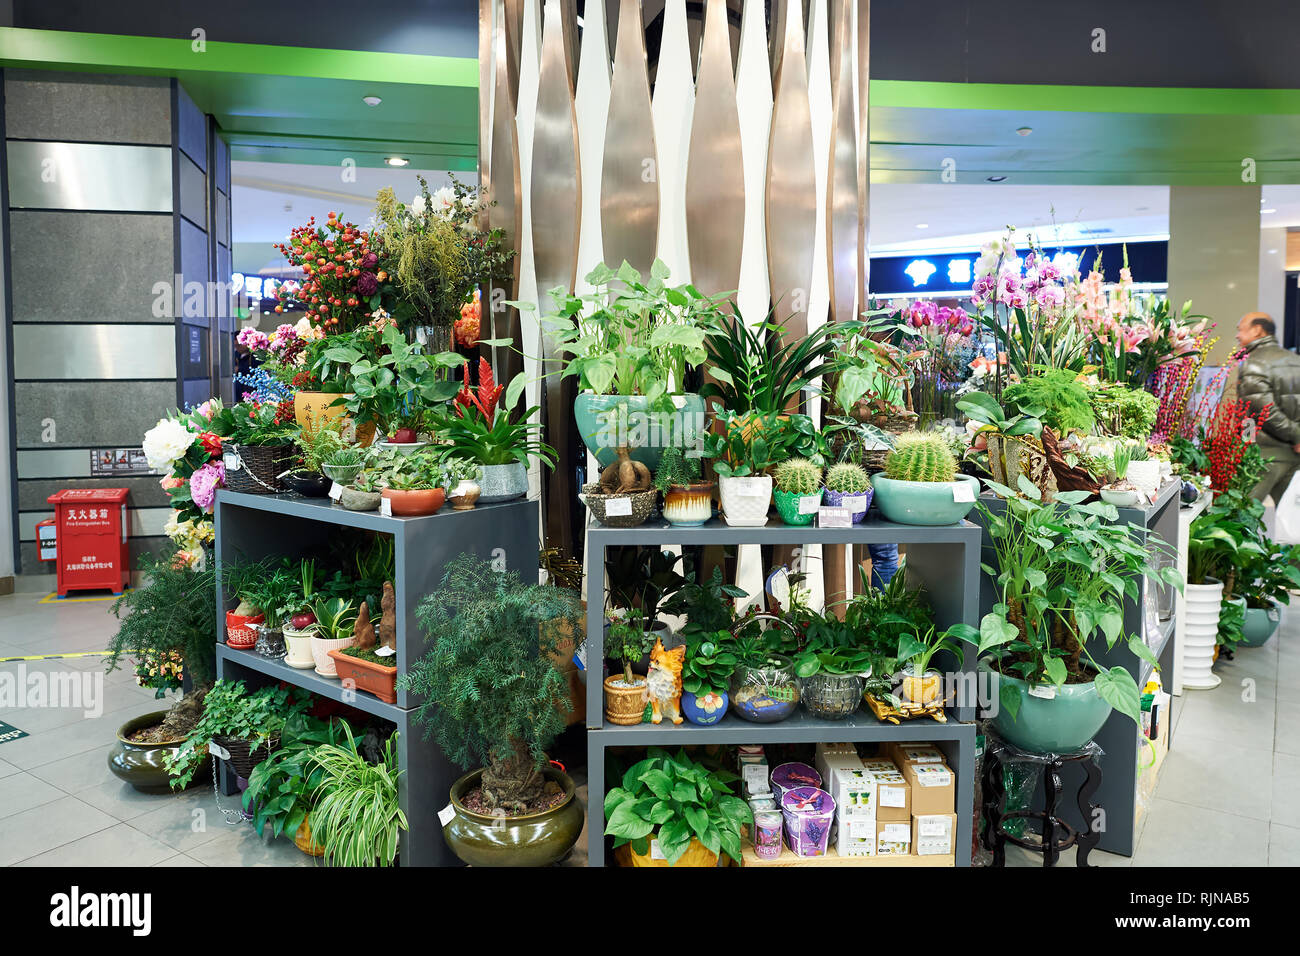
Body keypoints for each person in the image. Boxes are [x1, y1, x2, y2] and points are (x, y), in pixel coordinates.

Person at [1236, 312, 1300, 503]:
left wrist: (1246, 445)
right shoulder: (1295, 359)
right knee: (1290, 523)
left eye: (1240, 330)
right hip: (1294, 453)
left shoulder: (1253, 362)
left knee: (1242, 515)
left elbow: (1260, 412)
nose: (1237, 335)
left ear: (1257, 330)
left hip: (1263, 456)